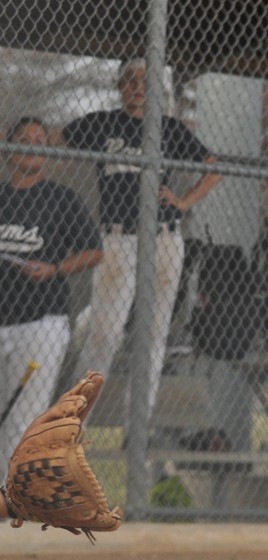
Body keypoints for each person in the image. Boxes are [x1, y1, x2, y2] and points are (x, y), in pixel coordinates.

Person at [57, 58, 220, 415]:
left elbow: (213, 168)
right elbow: (50, 139)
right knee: (104, 334)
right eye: (129, 79)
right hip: (117, 239)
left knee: (154, 335)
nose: (136, 86)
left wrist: (183, 201)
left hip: (163, 238)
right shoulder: (103, 123)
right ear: (119, 85)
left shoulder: (169, 128)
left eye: (145, 80)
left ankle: (138, 428)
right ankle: (72, 424)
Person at [0, 117, 103, 457]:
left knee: (23, 419)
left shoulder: (61, 197)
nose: (32, 145)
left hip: (42, 321)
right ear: (9, 148)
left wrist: (55, 268)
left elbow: (93, 251)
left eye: (40, 140)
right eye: (23, 138)